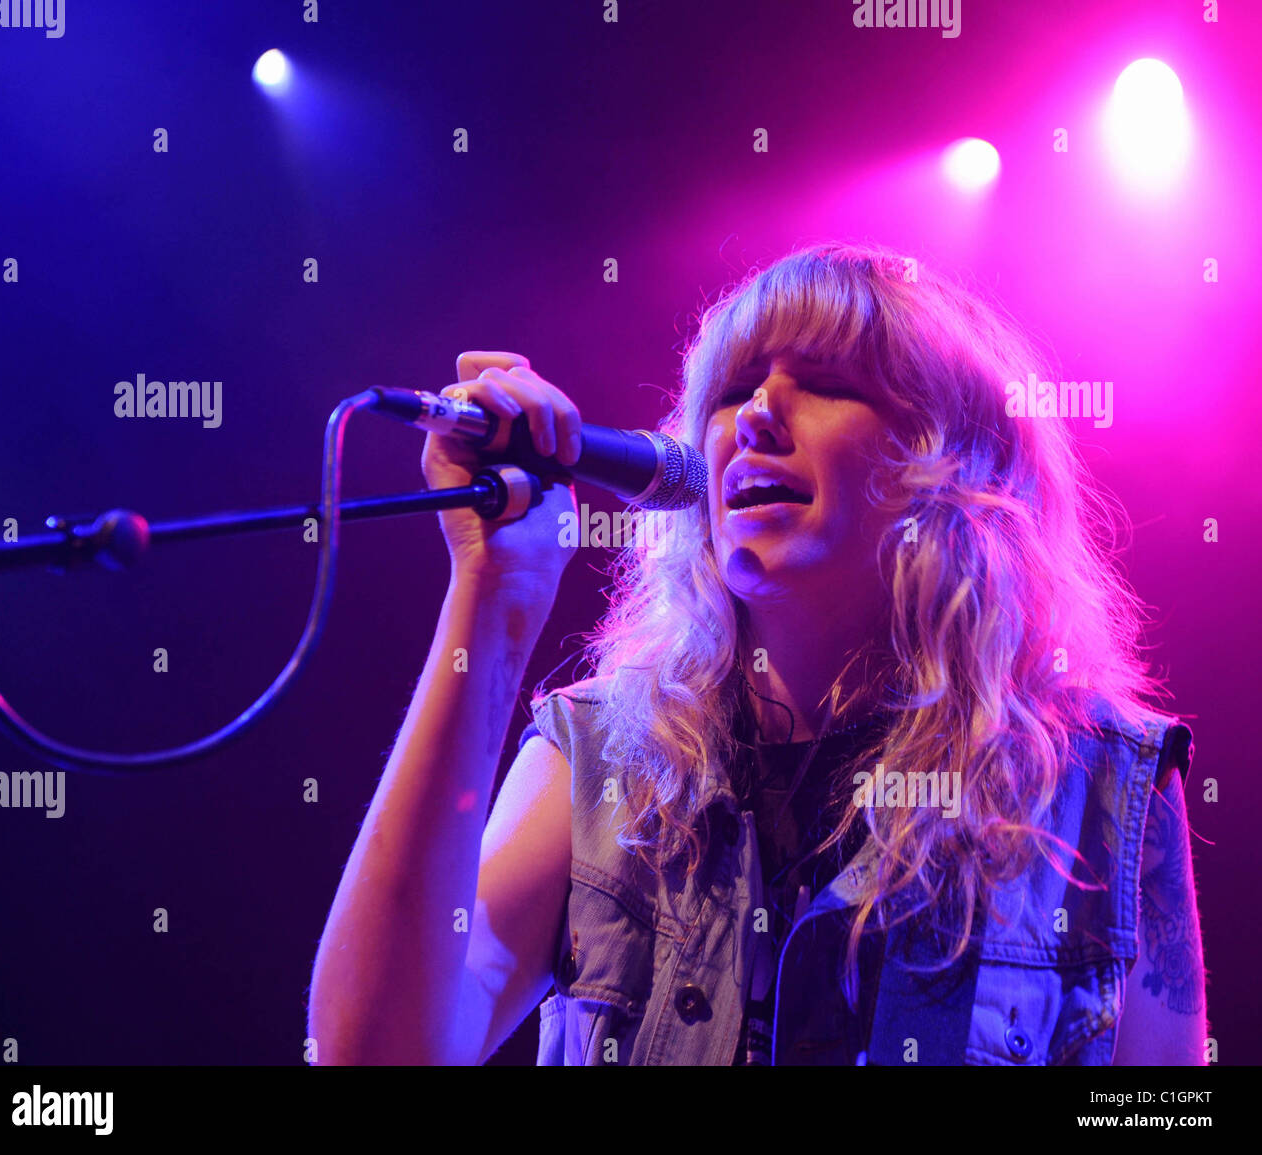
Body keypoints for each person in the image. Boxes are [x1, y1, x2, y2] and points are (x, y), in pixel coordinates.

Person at [307, 242, 1206, 1066]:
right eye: (734, 389)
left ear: (953, 465)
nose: (759, 416)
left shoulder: (1098, 783)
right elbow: (371, 1049)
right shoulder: (602, 754)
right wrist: (493, 596)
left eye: (824, 382)